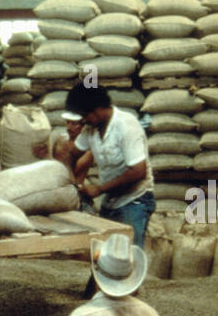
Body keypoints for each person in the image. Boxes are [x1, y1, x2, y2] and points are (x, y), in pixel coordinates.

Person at [65, 83, 156, 248]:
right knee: (104, 256)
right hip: (111, 201)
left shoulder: (126, 125)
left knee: (126, 257)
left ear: (99, 108)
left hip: (134, 200)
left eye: (86, 114)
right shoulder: (91, 129)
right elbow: (71, 154)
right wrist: (74, 181)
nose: (83, 120)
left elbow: (138, 171)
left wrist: (99, 189)